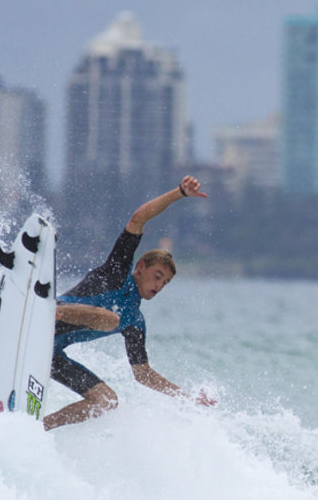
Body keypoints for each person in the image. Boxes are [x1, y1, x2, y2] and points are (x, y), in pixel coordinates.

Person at [44, 175, 216, 431]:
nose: (159, 285)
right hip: (46, 320)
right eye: (157, 276)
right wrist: (179, 192)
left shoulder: (134, 321)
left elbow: (142, 374)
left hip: (50, 354)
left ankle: (38, 427)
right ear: (140, 267)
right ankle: (48, 311)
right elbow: (139, 218)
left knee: (107, 401)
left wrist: (187, 397)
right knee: (110, 319)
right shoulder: (116, 271)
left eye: (165, 283)